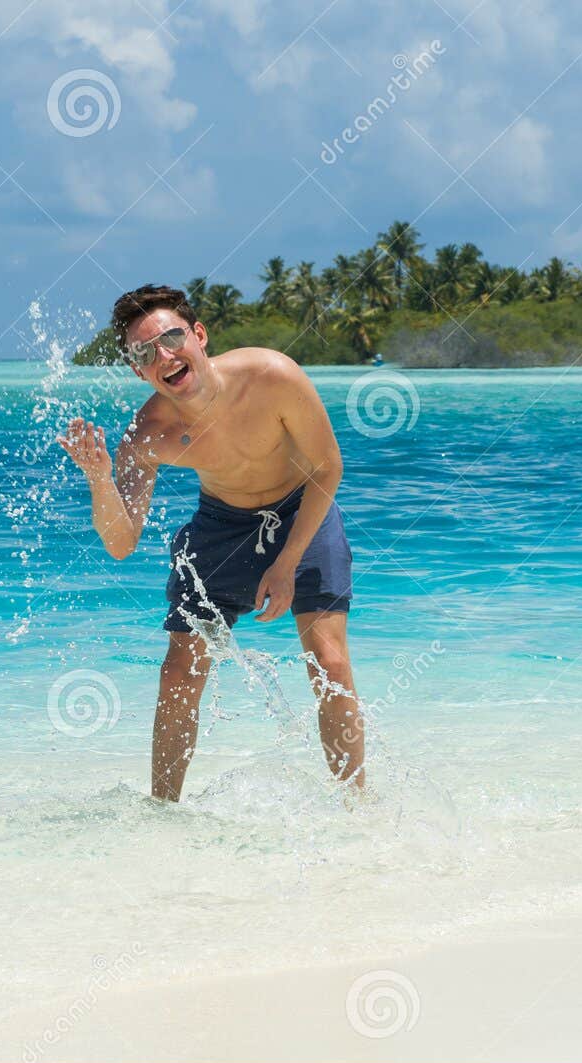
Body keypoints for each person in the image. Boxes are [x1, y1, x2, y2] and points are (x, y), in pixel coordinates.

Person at [57, 284, 362, 802]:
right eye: (144, 353)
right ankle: (163, 811)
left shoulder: (272, 376)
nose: (163, 356)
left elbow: (327, 467)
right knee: (179, 669)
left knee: (329, 663)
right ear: (137, 371)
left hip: (301, 510)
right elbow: (121, 542)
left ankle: (358, 807)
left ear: (198, 336)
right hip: (221, 528)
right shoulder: (146, 433)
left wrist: (287, 563)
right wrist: (100, 479)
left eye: (172, 338)